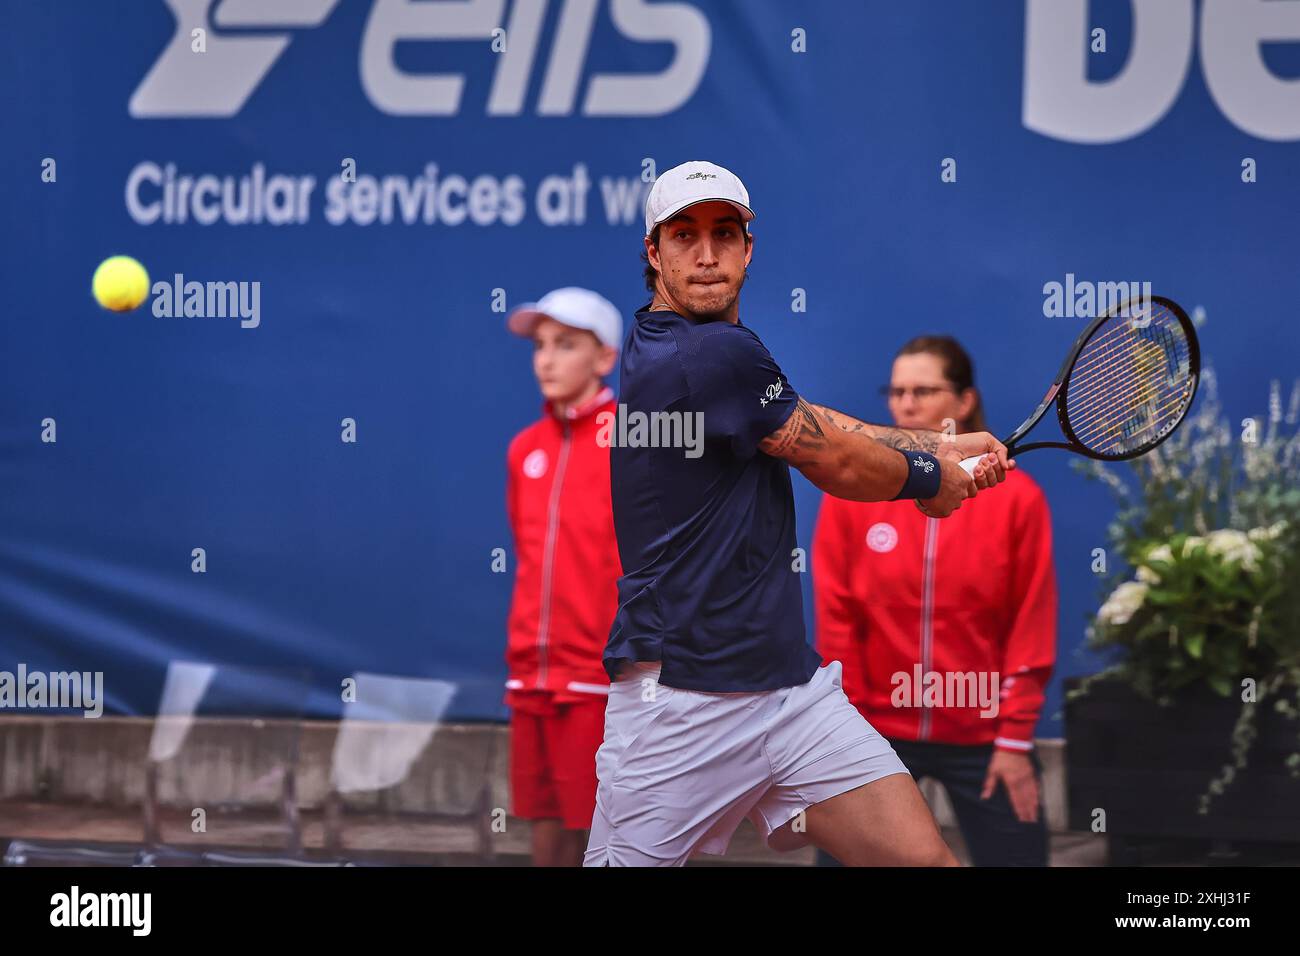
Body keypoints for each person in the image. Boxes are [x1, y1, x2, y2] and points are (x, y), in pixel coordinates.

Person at [583, 160, 1013, 867]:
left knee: (926, 862)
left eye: (724, 233)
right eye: (684, 235)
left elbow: (805, 421)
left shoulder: (679, 348)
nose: (707, 252)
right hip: (682, 700)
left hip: (786, 690)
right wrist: (931, 476)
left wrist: (933, 440)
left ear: (749, 248)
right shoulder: (711, 352)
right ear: (653, 255)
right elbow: (832, 460)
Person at [812, 336, 1058, 867]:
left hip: (985, 736)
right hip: (875, 734)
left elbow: (1030, 625)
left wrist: (1015, 740)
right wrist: (845, 728)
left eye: (923, 390)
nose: (906, 404)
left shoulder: (1020, 501)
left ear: (964, 401)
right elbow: (836, 619)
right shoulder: (853, 495)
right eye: (897, 391)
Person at [504, 288, 623, 866]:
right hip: (532, 673)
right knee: (545, 825)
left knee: (608, 832)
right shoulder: (524, 449)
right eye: (540, 346)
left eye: (566, 345)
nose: (546, 360)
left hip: (602, 678)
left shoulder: (634, 440)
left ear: (604, 358)